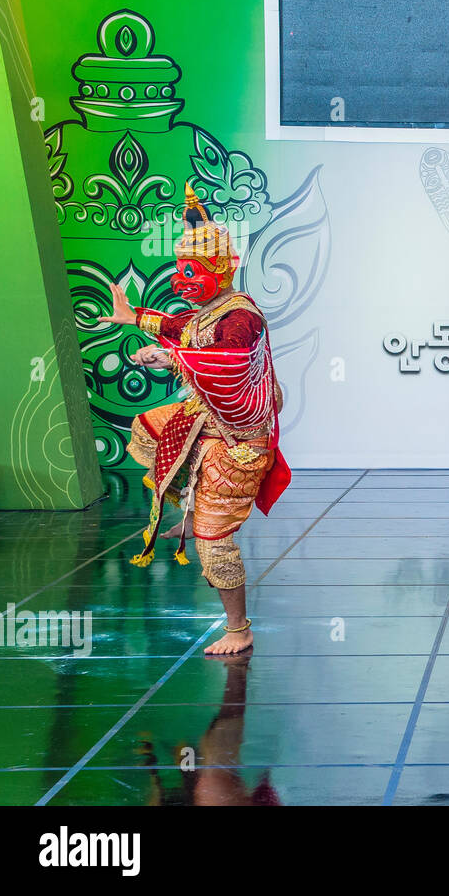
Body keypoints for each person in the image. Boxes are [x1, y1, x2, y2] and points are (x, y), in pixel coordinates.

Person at [97, 184, 290, 655]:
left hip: (241, 443)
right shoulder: (210, 311)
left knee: (214, 542)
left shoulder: (240, 318)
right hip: (211, 423)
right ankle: (189, 505)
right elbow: (178, 326)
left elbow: (225, 364)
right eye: (180, 271)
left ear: (223, 269)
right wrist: (134, 317)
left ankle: (238, 628)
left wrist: (169, 359)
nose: (182, 281)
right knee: (150, 428)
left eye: (192, 272)